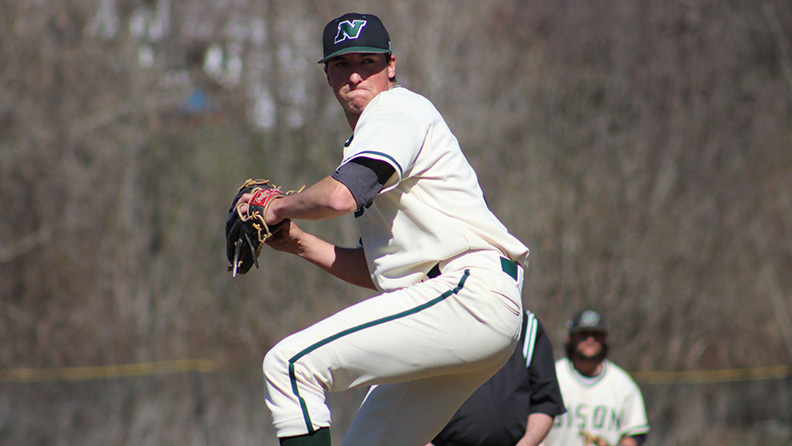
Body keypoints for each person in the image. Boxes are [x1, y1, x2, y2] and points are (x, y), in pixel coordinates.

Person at [235, 12, 531, 446]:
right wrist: (299, 243)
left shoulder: (394, 110)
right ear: (327, 75)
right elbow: (383, 271)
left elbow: (341, 196)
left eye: (367, 61)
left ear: (391, 66)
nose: (355, 75)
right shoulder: (378, 134)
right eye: (341, 64)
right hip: (459, 305)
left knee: (291, 367)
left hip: (468, 293)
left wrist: (276, 207)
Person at [428, 310, 566, 446]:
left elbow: (545, 403)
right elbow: (414, 388)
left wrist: (526, 443)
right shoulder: (438, 317)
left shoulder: (527, 325)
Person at [541, 310, 650, 446]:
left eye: (596, 334)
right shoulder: (551, 376)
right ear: (570, 338)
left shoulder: (622, 384)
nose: (590, 339)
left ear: (605, 339)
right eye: (583, 334)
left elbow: (635, 432)